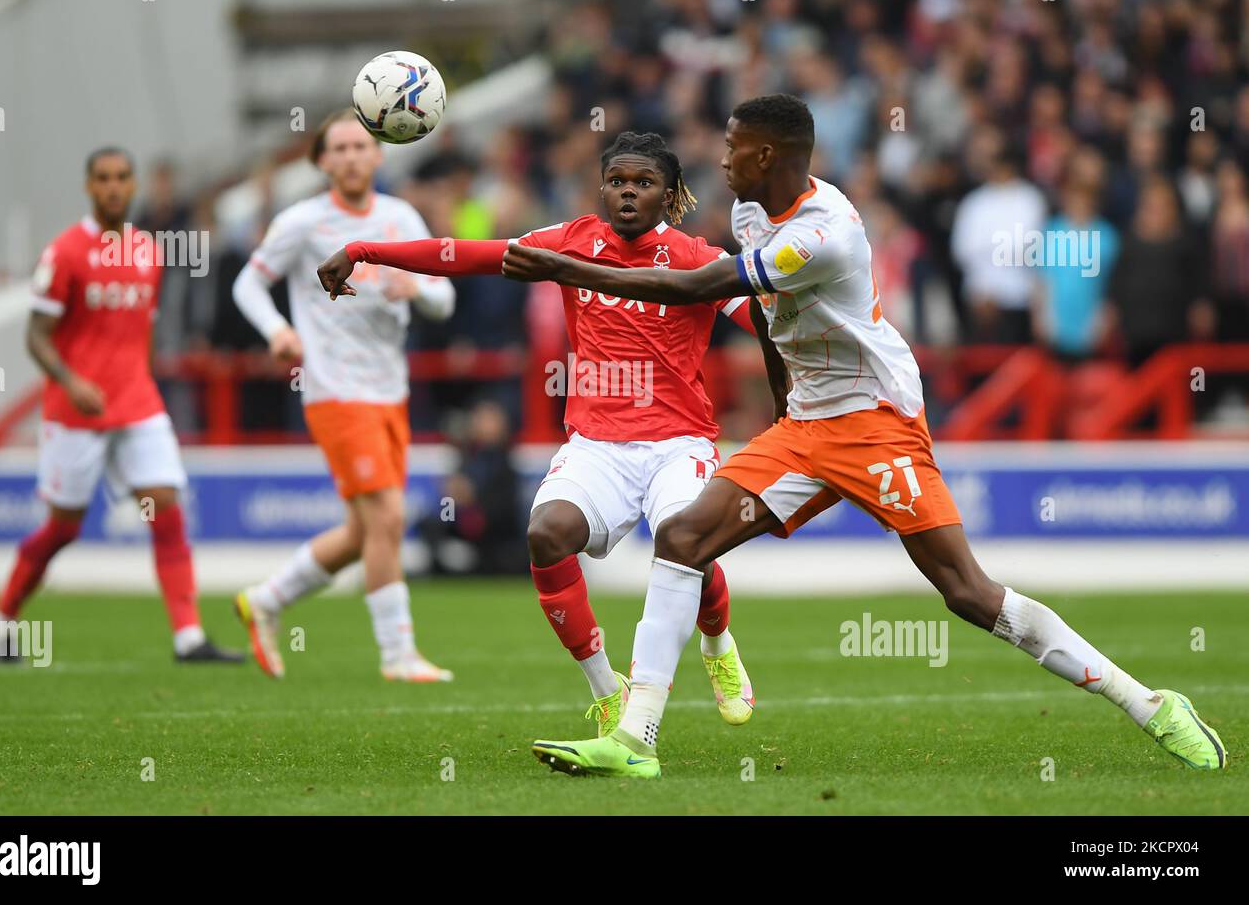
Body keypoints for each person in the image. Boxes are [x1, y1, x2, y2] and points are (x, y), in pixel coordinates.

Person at [501, 94, 1226, 778]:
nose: (720, 159)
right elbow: (769, 325)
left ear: (771, 155)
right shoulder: (753, 212)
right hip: (808, 425)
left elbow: (697, 290)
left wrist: (561, 266)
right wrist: (784, 405)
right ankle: (637, 738)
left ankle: (1151, 703)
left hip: (875, 425)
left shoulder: (824, 235)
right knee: (685, 538)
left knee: (968, 594)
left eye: (733, 147)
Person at [316, 131, 760, 735]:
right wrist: (367, 250)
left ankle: (718, 646)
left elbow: (765, 318)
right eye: (617, 182)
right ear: (602, 187)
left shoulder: (696, 259)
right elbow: (462, 254)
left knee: (686, 542)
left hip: (678, 442)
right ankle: (608, 691)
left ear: (670, 194)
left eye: (644, 183)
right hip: (596, 443)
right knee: (546, 534)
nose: (628, 193)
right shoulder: (570, 242)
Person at [0, 148, 243, 664]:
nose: (112, 187)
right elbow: (36, 338)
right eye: (103, 178)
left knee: (166, 509)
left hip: (137, 406)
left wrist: (141, 381)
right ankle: (1, 621)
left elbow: (141, 331)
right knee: (64, 528)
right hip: (75, 412)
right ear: (89, 186)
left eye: (122, 178)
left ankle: (188, 636)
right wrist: (71, 380)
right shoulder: (64, 252)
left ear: (132, 188)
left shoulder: (148, 251)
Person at [231, 110, 455, 683]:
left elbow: (445, 295)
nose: (353, 156)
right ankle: (397, 653)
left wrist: (419, 290)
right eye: (341, 148)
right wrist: (279, 331)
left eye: (362, 146)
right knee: (388, 516)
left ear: (379, 156)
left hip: (389, 390)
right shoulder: (302, 222)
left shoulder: (400, 216)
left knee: (365, 534)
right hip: (334, 388)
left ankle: (266, 600)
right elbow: (248, 282)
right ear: (322, 162)